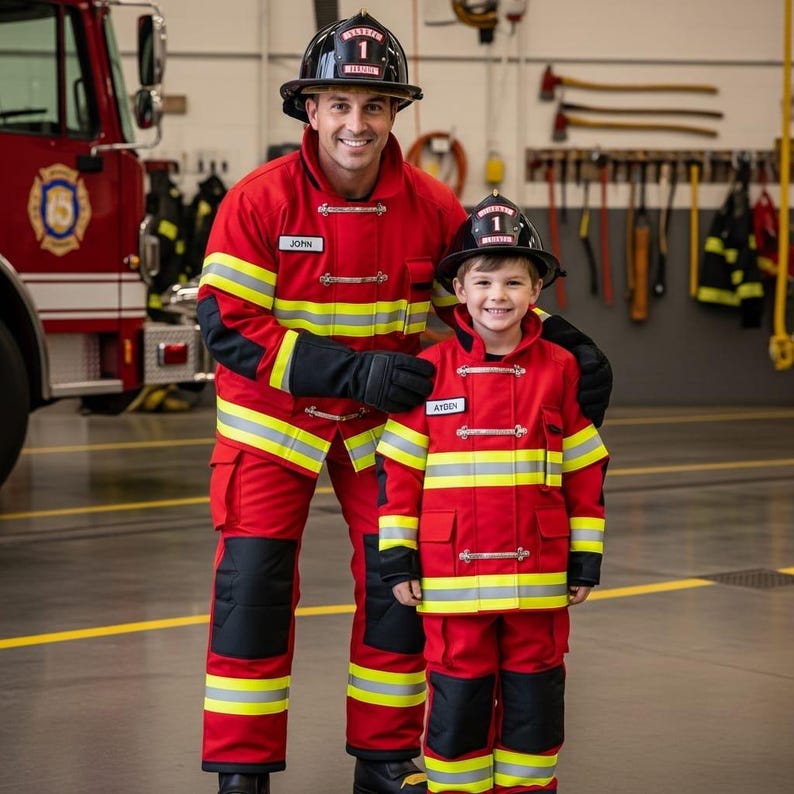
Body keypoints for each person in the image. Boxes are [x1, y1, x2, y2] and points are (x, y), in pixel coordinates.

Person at [196, 10, 612, 794]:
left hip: (378, 433)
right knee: (250, 593)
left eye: (376, 105)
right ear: (309, 110)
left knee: (399, 589)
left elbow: (480, 293)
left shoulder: (429, 203)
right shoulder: (257, 202)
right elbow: (229, 327)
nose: (358, 123)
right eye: (340, 105)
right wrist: (354, 375)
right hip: (270, 425)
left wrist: (565, 344)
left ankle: (384, 757)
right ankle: (241, 772)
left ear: (396, 113)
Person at [376, 191, 610, 794]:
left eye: (513, 282)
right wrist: (397, 557)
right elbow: (398, 471)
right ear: (458, 290)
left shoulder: (562, 369)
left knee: (536, 699)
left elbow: (584, 469)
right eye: (482, 281)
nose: (497, 297)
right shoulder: (428, 371)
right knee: (456, 703)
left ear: (537, 293)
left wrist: (585, 557)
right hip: (451, 579)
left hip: (540, 578)